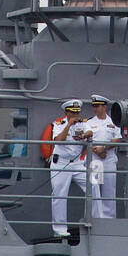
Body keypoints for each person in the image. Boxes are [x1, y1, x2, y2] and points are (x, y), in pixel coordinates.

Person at [46, 100, 87, 238]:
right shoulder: (59, 124)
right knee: (59, 194)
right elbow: (58, 140)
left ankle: (95, 221)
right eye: (72, 112)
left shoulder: (83, 124)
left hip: (77, 164)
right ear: (66, 113)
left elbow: (91, 134)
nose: (75, 115)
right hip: (61, 163)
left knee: (93, 187)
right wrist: (69, 125)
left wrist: (89, 134)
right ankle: (59, 229)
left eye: (77, 112)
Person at [76, 94, 121, 218]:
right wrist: (98, 150)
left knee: (109, 191)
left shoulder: (114, 122)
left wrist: (104, 148)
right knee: (93, 191)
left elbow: (117, 139)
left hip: (109, 159)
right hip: (94, 159)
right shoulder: (89, 122)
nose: (95, 108)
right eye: (94, 106)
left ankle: (109, 220)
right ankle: (92, 217)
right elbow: (86, 139)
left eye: (98, 106)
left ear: (105, 106)